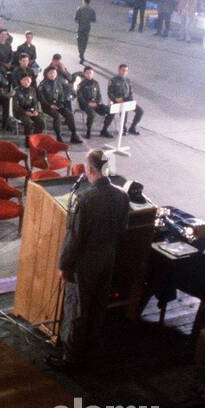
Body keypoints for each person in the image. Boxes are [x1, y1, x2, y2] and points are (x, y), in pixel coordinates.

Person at [50, 150, 130, 368]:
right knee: (97, 305)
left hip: (85, 262)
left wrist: (63, 265)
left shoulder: (84, 199)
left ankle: (71, 357)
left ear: (90, 170)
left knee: (78, 308)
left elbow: (74, 238)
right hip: (108, 256)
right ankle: (91, 350)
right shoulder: (122, 194)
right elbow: (123, 227)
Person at [39, 65, 82, 144]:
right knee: (57, 116)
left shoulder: (58, 83)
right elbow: (41, 98)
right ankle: (58, 136)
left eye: (54, 73)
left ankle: (74, 134)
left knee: (69, 114)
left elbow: (61, 95)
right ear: (46, 74)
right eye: (51, 73)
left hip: (58, 104)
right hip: (47, 106)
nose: (53, 74)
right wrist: (50, 105)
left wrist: (60, 103)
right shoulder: (43, 84)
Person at [101, 63, 143, 137]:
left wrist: (130, 101)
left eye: (126, 71)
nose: (124, 72)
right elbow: (109, 93)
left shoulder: (128, 81)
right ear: (119, 70)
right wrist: (116, 99)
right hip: (116, 101)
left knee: (140, 111)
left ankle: (132, 127)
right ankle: (104, 130)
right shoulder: (113, 80)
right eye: (123, 70)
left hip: (126, 101)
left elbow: (130, 92)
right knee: (111, 113)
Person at [75, 66, 109, 139]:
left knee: (109, 110)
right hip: (84, 105)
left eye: (90, 73)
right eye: (87, 73)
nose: (89, 74)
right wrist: (88, 103)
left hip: (95, 103)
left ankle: (104, 130)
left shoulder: (96, 83)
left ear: (93, 74)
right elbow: (80, 97)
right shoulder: (81, 85)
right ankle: (88, 131)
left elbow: (99, 95)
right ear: (84, 74)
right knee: (91, 113)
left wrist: (97, 103)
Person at [13, 72, 45, 136]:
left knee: (41, 122)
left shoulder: (32, 90)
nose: (27, 81)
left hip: (31, 111)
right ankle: (28, 140)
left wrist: (35, 110)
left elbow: (35, 102)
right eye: (25, 80)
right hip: (20, 112)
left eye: (29, 80)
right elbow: (16, 106)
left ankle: (35, 137)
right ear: (21, 81)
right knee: (28, 123)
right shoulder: (16, 91)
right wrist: (25, 112)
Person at [75, 0, 96, 64]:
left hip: (80, 27)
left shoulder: (80, 9)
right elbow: (94, 20)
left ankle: (81, 54)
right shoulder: (92, 10)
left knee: (79, 41)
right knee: (85, 41)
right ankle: (82, 53)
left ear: (84, 1)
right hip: (87, 27)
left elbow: (75, 19)